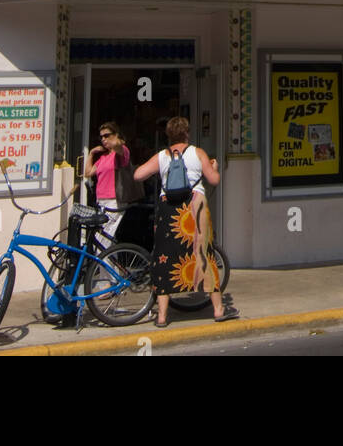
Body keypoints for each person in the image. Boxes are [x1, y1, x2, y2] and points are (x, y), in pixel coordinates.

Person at [132, 116, 236, 327]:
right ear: (187, 132)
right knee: (204, 254)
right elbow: (214, 180)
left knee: (165, 257)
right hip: (195, 207)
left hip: (168, 210)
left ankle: (162, 316)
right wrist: (213, 167)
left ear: (168, 135)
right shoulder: (198, 153)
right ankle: (218, 310)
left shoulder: (162, 156)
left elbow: (138, 175)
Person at [84, 122, 131, 240]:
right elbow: (88, 173)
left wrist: (116, 140)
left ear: (116, 135)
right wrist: (91, 154)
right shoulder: (103, 157)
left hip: (114, 200)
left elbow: (119, 147)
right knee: (105, 236)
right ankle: (112, 258)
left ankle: (103, 258)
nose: (103, 139)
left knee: (104, 237)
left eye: (106, 135)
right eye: (101, 137)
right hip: (101, 201)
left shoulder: (121, 152)